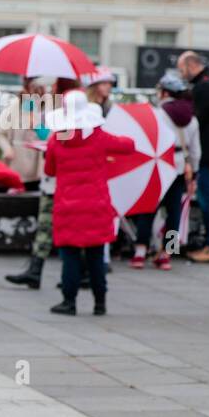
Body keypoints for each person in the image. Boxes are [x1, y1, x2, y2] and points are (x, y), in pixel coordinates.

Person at [43, 89, 136, 315]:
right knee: (96, 258)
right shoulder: (98, 137)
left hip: (67, 207)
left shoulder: (57, 138)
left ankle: (69, 302)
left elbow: (50, 170)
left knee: (70, 258)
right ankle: (100, 303)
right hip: (96, 206)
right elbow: (129, 145)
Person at [131, 72, 199, 270]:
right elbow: (196, 151)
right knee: (174, 212)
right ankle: (167, 254)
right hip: (179, 167)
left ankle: (140, 252)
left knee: (148, 208)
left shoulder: (156, 113)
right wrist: (193, 173)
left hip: (158, 165)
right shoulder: (192, 118)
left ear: (165, 93)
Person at [4, 76, 60, 289]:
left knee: (57, 228)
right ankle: (35, 271)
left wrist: (39, 127)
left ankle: (75, 274)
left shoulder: (56, 107)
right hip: (29, 168)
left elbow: (54, 139)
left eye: (45, 86)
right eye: (35, 86)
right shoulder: (21, 106)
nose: (41, 90)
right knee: (45, 227)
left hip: (50, 175)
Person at [178, 51, 209, 262]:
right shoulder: (207, 84)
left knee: (206, 201)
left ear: (191, 65)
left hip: (203, 154)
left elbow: (195, 120)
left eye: (181, 69)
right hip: (202, 154)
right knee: (203, 200)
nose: (181, 73)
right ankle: (172, 248)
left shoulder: (205, 86)